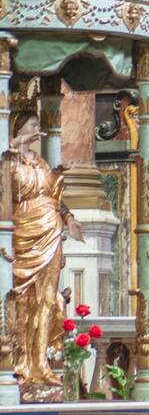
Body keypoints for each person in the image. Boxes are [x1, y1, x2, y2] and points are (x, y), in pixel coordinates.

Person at [9, 115, 83, 393]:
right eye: (32, 125)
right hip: (22, 234)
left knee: (47, 301)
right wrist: (14, 146)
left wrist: (70, 218)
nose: (37, 131)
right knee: (22, 302)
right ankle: (19, 363)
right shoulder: (9, 161)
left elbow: (54, 197)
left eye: (39, 126)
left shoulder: (40, 163)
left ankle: (41, 366)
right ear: (16, 129)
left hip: (50, 232)